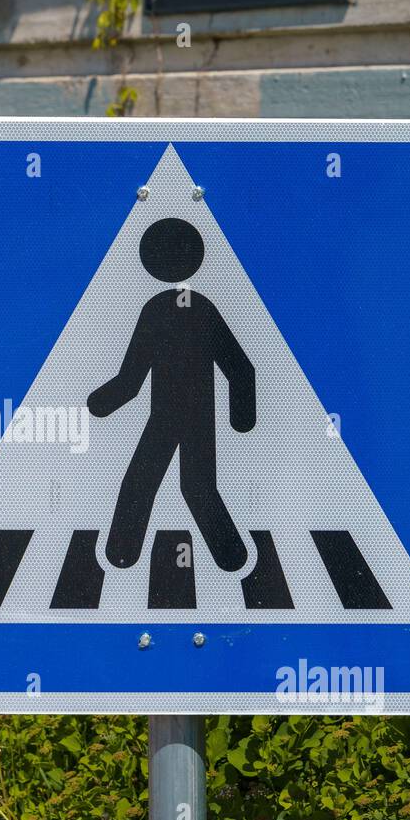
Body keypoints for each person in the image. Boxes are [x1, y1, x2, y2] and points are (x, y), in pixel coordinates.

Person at [88, 217, 256, 572]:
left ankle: (123, 552)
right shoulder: (200, 306)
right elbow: (240, 369)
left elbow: (130, 379)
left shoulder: (158, 309)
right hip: (195, 415)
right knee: (196, 486)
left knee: (142, 481)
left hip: (166, 415)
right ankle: (231, 556)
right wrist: (241, 416)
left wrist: (100, 403)